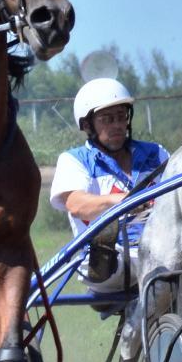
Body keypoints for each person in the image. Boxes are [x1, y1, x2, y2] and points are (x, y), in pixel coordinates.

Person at [49, 77, 169, 295]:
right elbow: (76, 204)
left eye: (121, 117)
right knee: (115, 260)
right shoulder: (75, 160)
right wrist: (122, 202)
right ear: (87, 125)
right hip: (107, 260)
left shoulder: (156, 154)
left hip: (160, 250)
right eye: (107, 119)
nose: (117, 125)